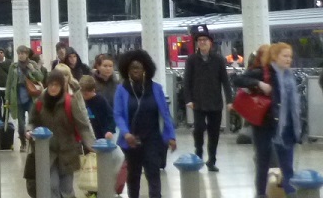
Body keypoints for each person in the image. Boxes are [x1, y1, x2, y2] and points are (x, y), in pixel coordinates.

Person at [236, 41, 301, 198]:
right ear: (275, 57)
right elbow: (237, 79)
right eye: (285, 56)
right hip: (265, 124)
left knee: (287, 165)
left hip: (286, 126)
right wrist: (259, 84)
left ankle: (290, 193)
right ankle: (261, 193)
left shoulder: (289, 76)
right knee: (263, 161)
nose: (288, 59)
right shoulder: (264, 72)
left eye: (290, 56)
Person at [114, 49, 176, 198]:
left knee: (153, 173)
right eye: (132, 68)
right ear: (126, 70)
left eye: (139, 67)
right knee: (133, 176)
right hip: (132, 140)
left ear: (145, 69)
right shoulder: (121, 90)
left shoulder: (156, 88)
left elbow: (165, 114)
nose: (135, 70)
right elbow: (118, 114)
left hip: (153, 139)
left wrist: (171, 136)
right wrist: (126, 133)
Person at [30, 66, 95, 198]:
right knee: (52, 185)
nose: (53, 88)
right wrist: (29, 131)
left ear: (62, 86)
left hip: (67, 151)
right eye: (51, 84)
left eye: (57, 85)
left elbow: (82, 126)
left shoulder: (70, 102)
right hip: (47, 152)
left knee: (66, 188)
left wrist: (92, 145)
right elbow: (32, 121)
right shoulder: (40, 102)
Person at [183, 24, 233, 171]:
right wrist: (188, 99)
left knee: (214, 132)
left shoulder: (218, 60)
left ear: (210, 42)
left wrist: (229, 100)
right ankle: (198, 152)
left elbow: (225, 81)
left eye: (205, 40)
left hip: (215, 102)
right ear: (197, 43)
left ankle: (212, 160)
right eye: (200, 40)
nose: (202, 42)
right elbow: (187, 81)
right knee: (198, 128)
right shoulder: (191, 60)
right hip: (198, 102)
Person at [7, 45, 47, 150]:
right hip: (18, 97)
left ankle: (32, 142)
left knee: (31, 121)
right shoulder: (13, 66)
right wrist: (7, 98)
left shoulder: (32, 64)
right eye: (19, 53)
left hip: (31, 97)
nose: (21, 55)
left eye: (23, 53)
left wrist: (32, 70)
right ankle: (23, 142)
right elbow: (9, 83)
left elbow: (40, 77)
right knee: (21, 123)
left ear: (27, 54)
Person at [81, 75, 116, 140]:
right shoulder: (80, 101)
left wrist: (109, 130)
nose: (83, 96)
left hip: (102, 136)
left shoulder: (101, 101)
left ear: (93, 90)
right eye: (81, 93)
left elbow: (111, 117)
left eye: (86, 94)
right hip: (87, 137)